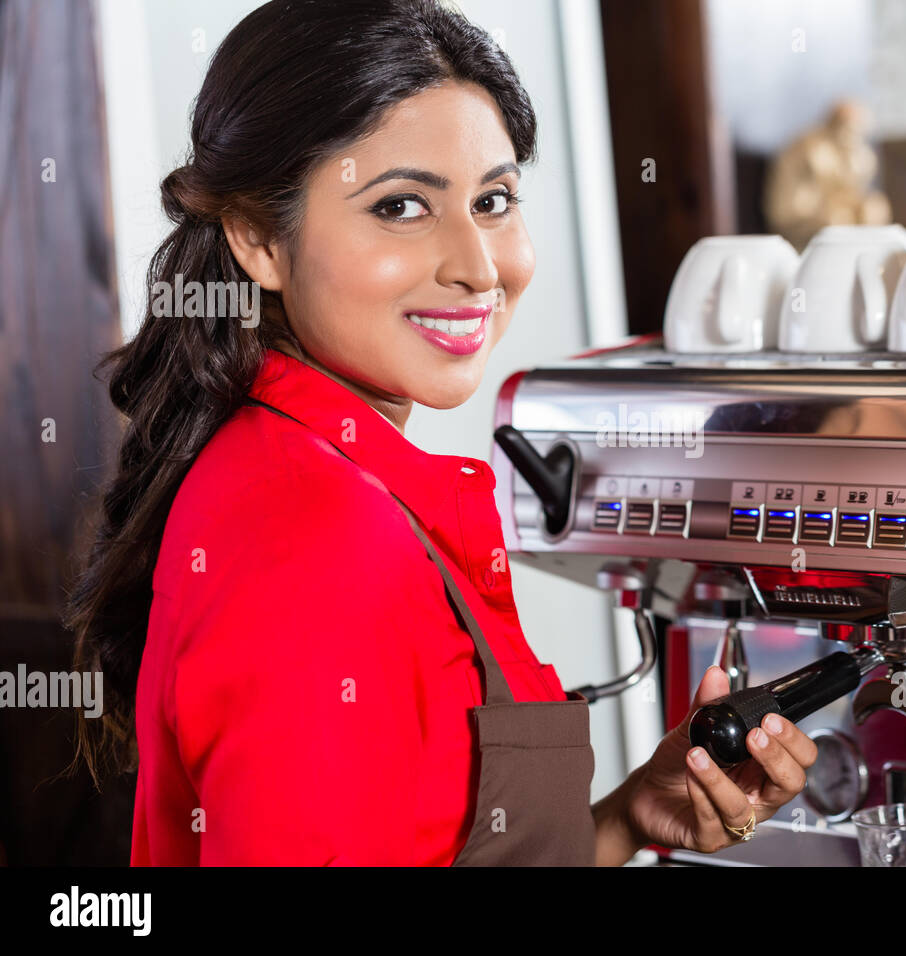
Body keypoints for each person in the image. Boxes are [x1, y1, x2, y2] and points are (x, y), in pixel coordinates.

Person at [64, 0, 815, 866]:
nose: (477, 265)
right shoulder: (317, 538)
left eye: (493, 200)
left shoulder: (322, 478)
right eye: (400, 207)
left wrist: (624, 820)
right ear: (259, 238)